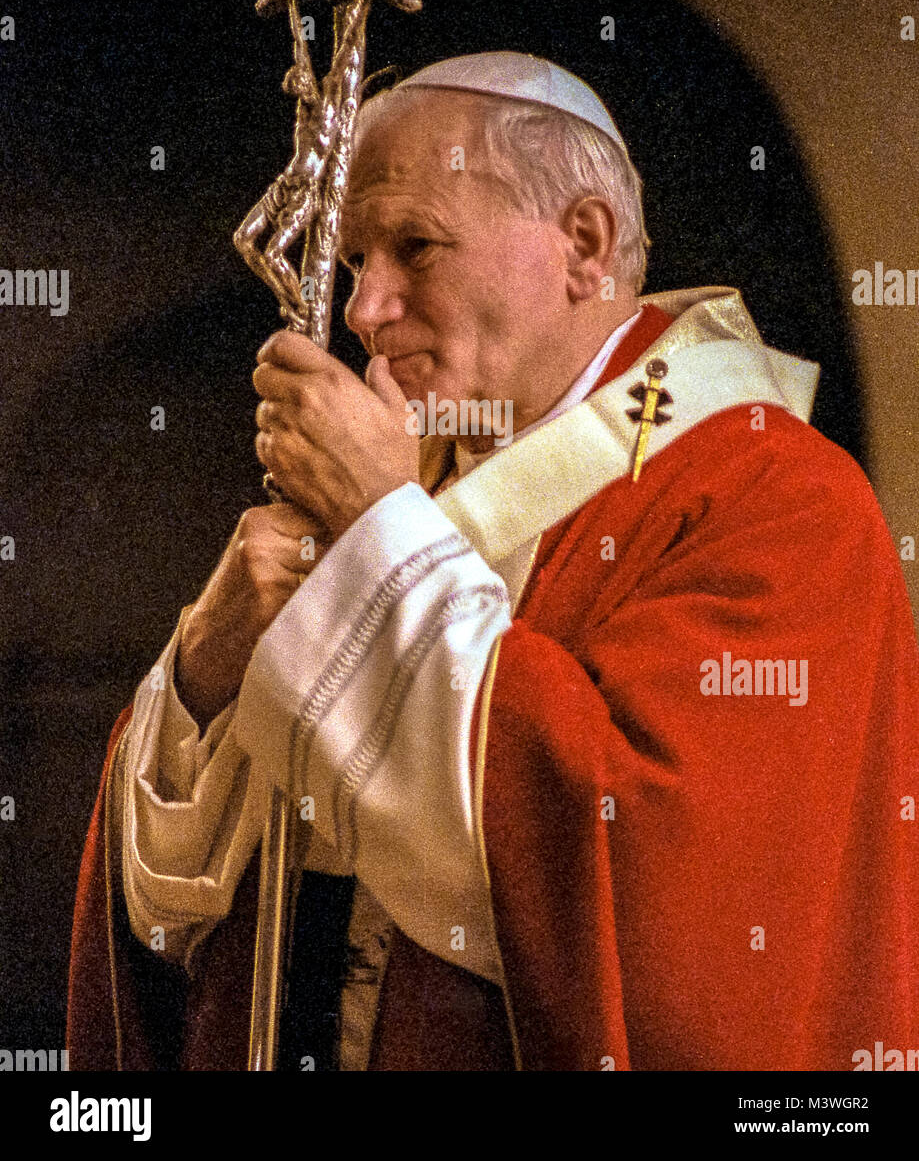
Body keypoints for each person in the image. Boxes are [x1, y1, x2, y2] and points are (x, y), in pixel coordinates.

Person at [67, 52, 918, 1071]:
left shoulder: (769, 496)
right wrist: (205, 672)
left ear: (585, 245)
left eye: (414, 247)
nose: (363, 311)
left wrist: (385, 531)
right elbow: (176, 916)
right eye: (352, 264)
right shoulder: (390, 478)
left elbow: (652, 906)